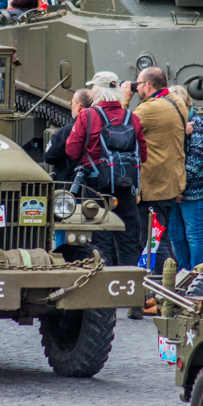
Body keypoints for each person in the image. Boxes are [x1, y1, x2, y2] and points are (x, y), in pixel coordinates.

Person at [66, 72, 144, 270]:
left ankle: (103, 289)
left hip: (95, 187)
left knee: (99, 240)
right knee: (128, 239)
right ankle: (130, 289)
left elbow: (72, 151)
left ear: (97, 90)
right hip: (125, 186)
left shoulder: (87, 115)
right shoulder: (131, 117)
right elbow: (142, 155)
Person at [121, 66, 186, 271]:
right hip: (170, 183)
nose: (135, 87)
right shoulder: (176, 102)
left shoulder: (148, 109)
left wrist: (125, 99)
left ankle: (162, 288)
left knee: (154, 240)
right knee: (161, 236)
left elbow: (120, 128)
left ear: (147, 86)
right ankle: (164, 285)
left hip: (153, 186)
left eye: (138, 84)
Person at [168, 85, 203, 271]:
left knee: (193, 234)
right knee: (175, 235)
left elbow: (196, 159)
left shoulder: (198, 123)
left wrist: (179, 186)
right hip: (172, 190)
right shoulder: (174, 124)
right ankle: (182, 272)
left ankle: (196, 274)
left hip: (193, 190)